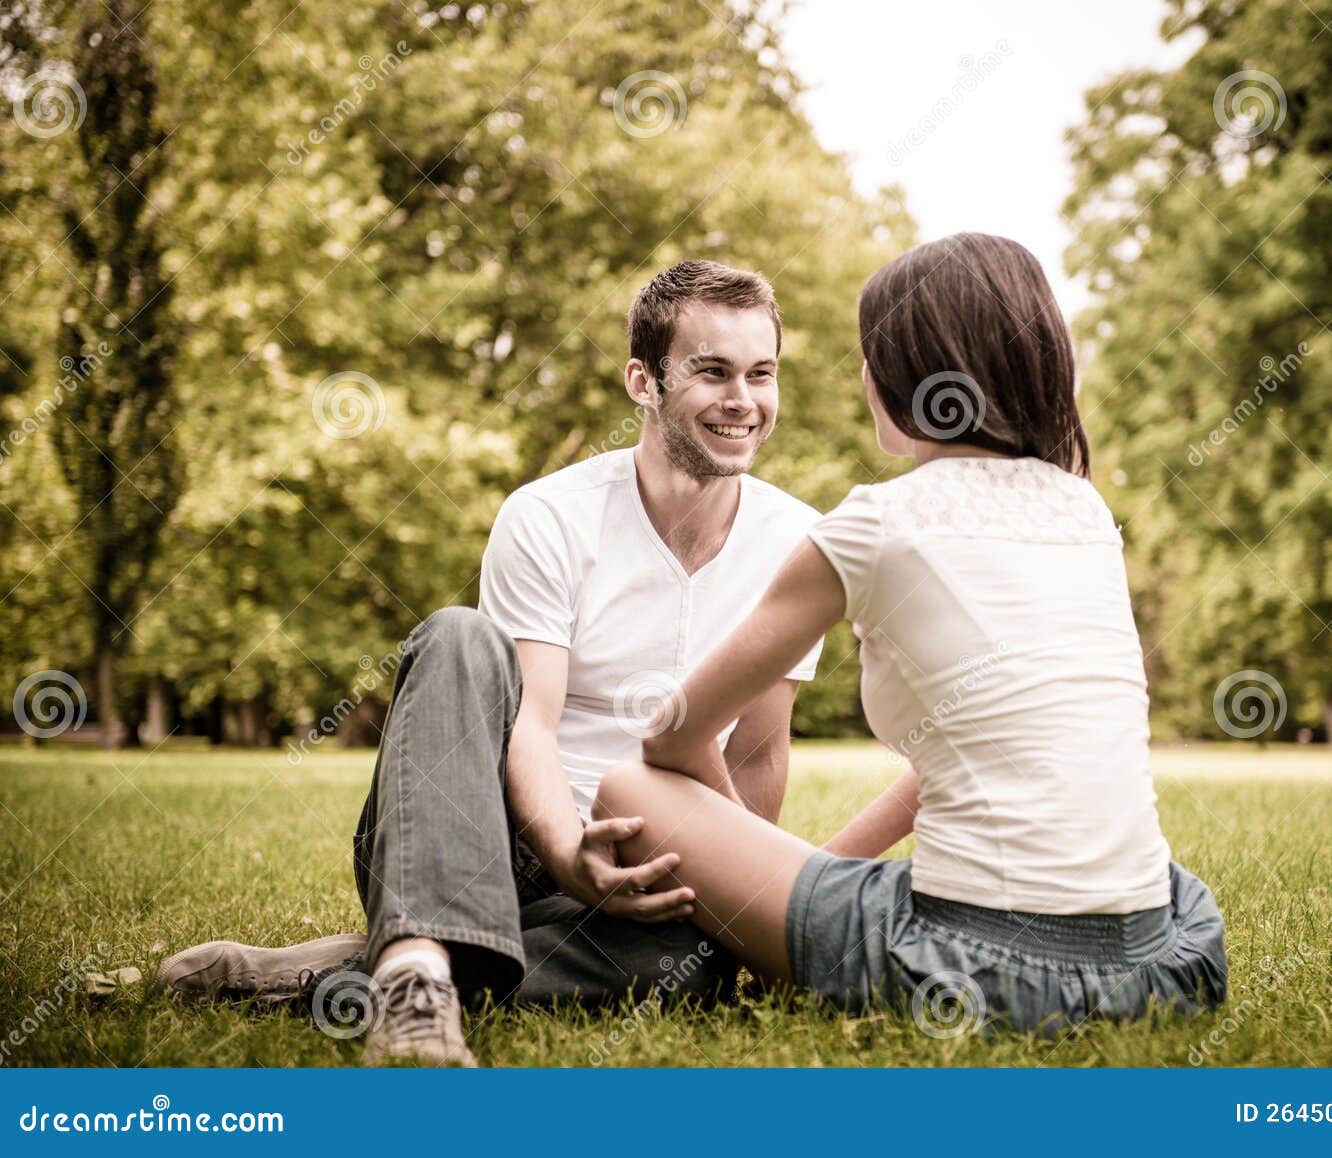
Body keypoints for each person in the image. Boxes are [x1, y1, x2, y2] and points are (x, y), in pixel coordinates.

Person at [157, 260, 825, 1065]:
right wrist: (566, 853)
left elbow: (758, 748)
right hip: (485, 829)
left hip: (650, 860)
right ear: (643, 382)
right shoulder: (548, 516)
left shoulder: (797, 541)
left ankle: (384, 962)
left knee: (690, 964)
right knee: (459, 634)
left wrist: (737, 906)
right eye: (712, 372)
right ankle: (416, 971)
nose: (743, 401)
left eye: (761, 374)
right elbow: (533, 727)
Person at [594, 233, 1228, 1036]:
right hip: (1160, 961)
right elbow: (981, 748)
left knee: (627, 785)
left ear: (895, 375)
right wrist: (809, 876)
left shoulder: (875, 524)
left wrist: (764, 886)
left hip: (973, 965)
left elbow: (673, 738)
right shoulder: (1085, 511)